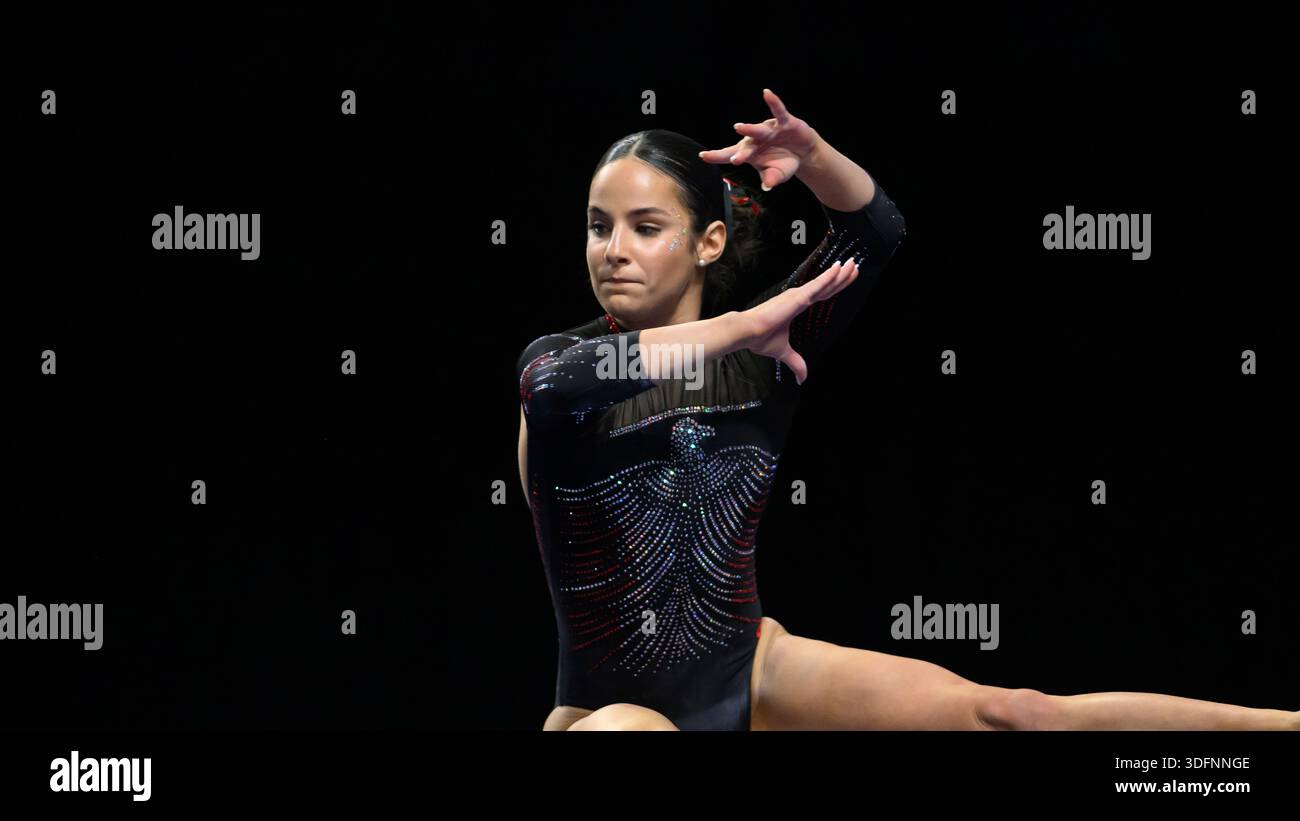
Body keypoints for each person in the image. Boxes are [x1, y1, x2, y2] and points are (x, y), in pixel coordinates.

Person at [516, 89, 1299, 731]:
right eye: (597, 226)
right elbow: (558, 389)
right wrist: (740, 326)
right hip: (606, 710)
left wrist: (815, 158)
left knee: (1012, 712)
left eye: (645, 227)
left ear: (710, 241)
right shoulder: (561, 362)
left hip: (749, 668)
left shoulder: (768, 349)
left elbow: (876, 231)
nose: (611, 248)